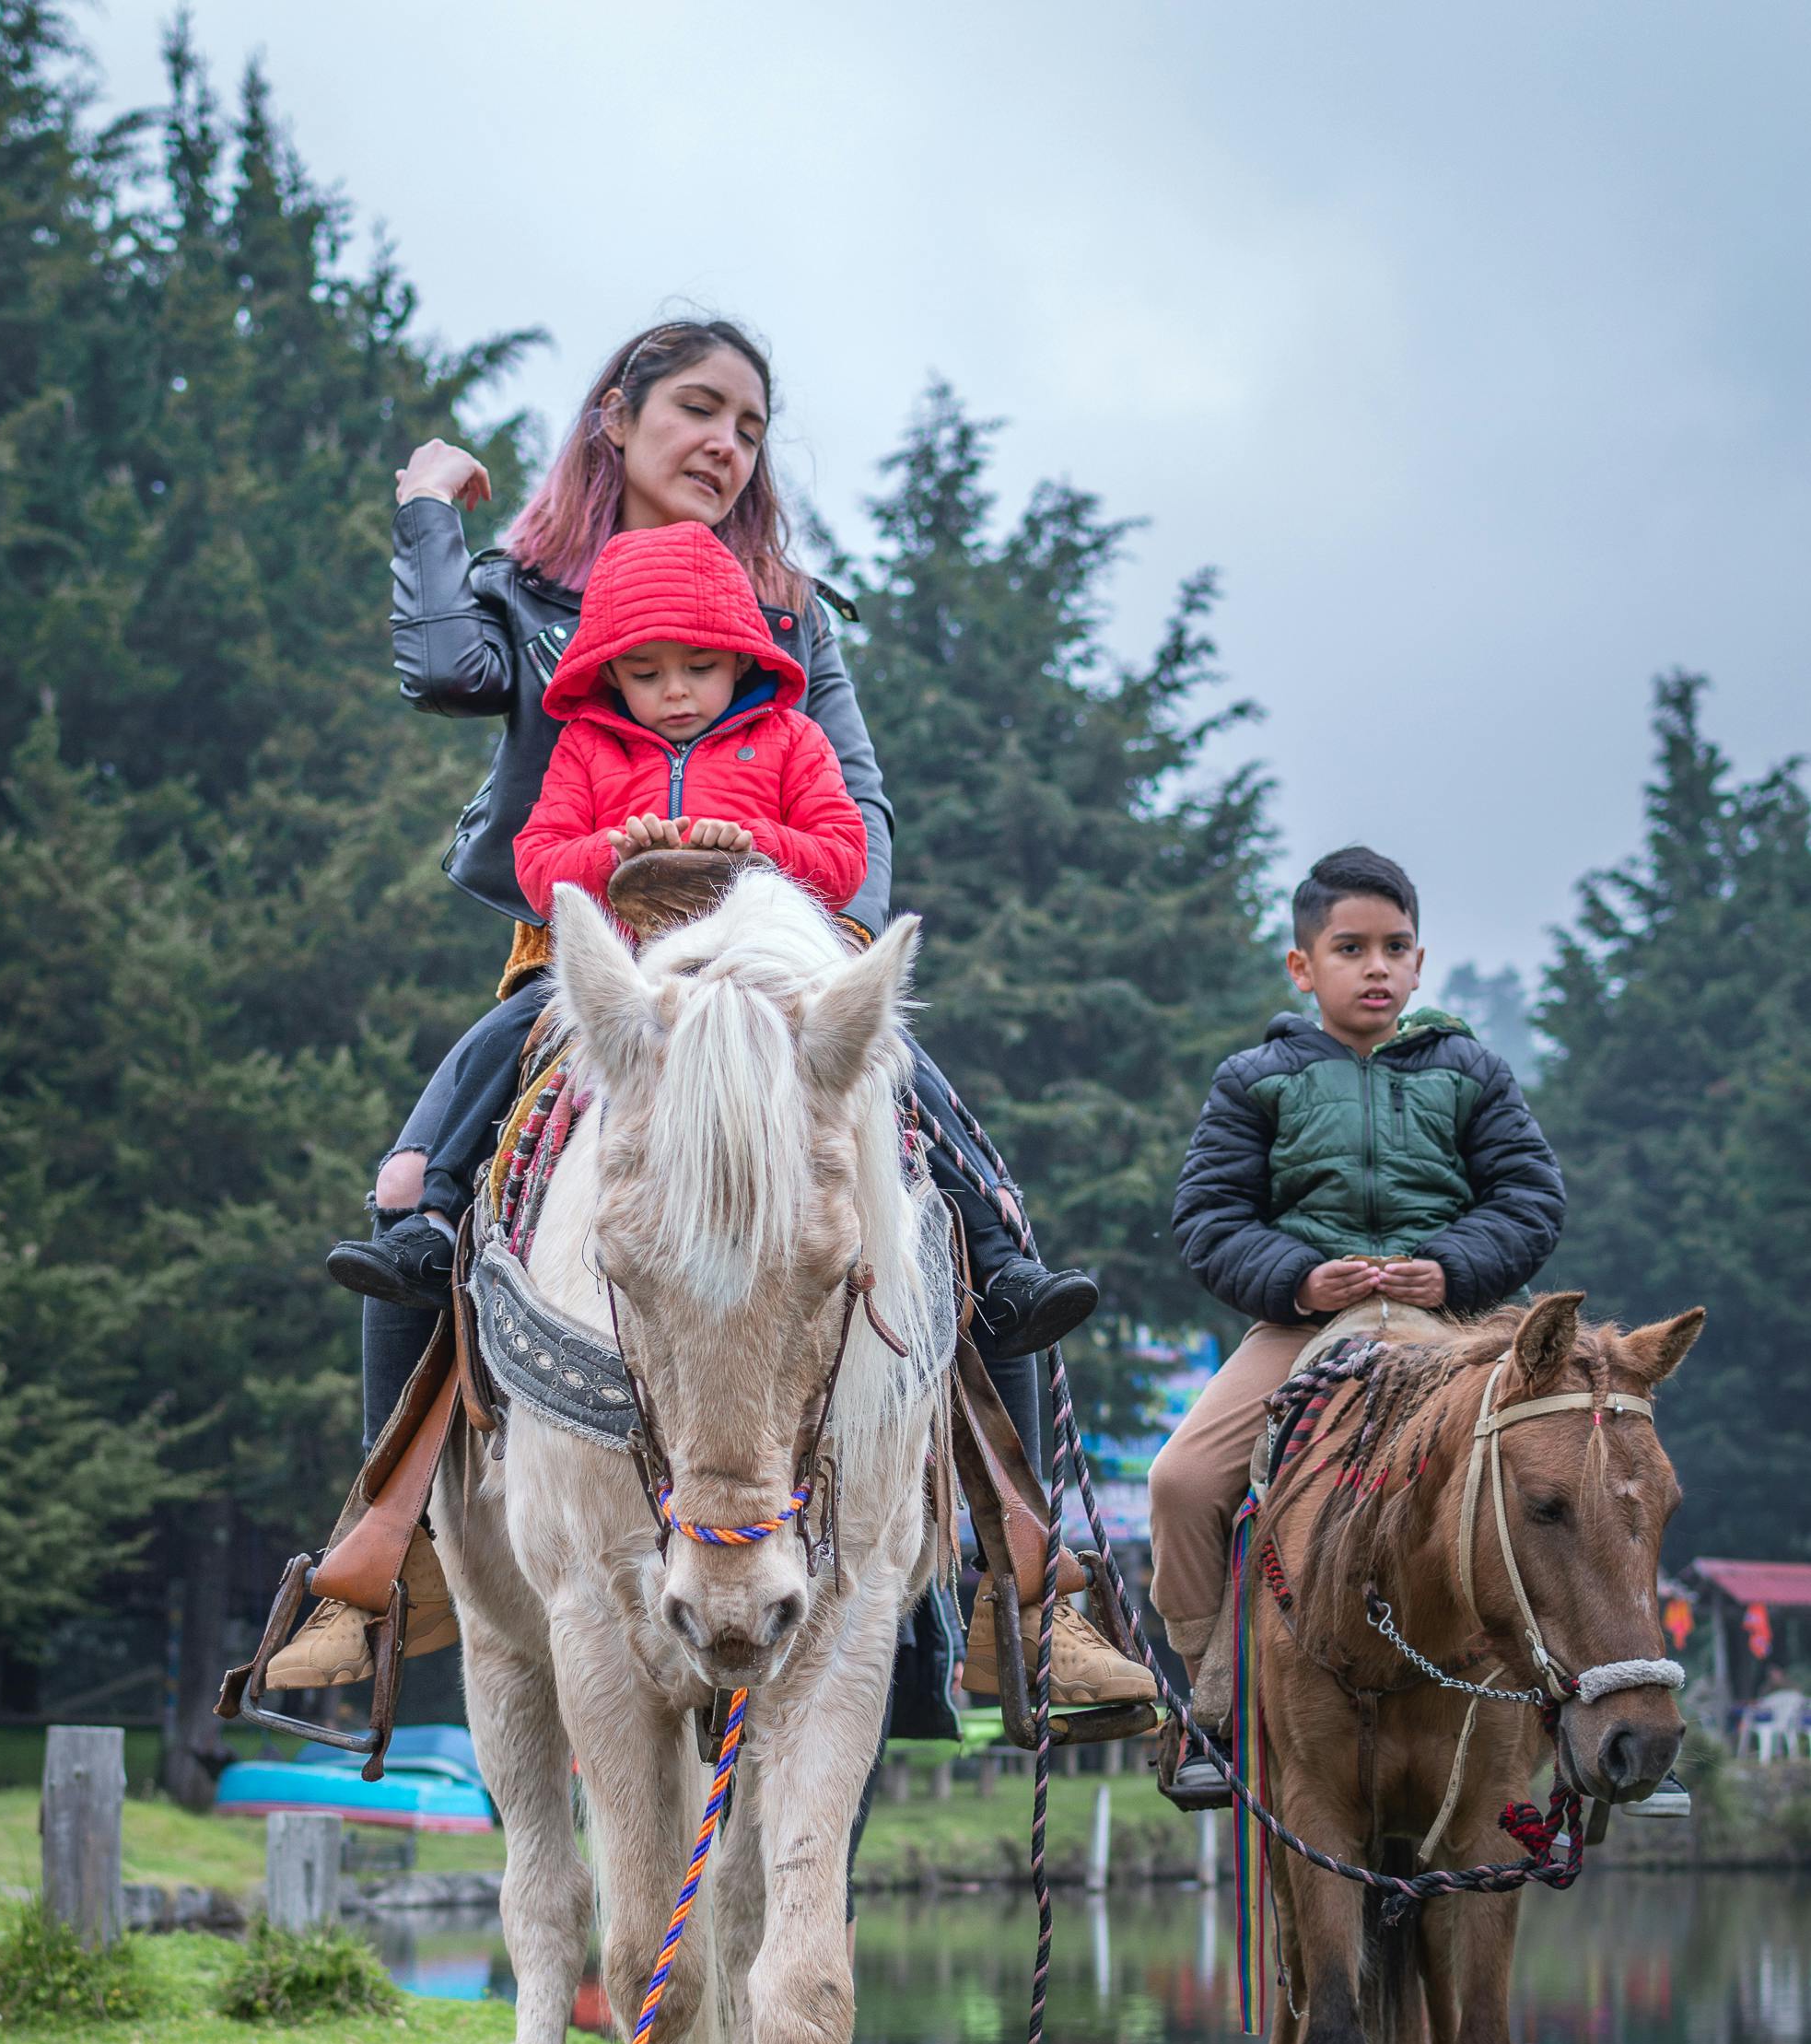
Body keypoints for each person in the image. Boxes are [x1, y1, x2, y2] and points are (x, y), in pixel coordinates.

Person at [329, 312, 1152, 1728]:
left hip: (770, 969)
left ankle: (1038, 1589)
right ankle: (372, 1564)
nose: (724, 444)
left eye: (750, 427)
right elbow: (446, 675)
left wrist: (805, 941)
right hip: (592, 974)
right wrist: (422, 509)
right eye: (698, 410)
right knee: (419, 1195)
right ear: (615, 420)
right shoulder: (529, 597)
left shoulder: (788, 622)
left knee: (974, 1197)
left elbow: (857, 805)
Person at [1149, 843, 1567, 1797]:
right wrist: (1299, 1278)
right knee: (1177, 1481)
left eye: (1394, 946)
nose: (1374, 965)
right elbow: (1210, 1218)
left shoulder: (1469, 1070)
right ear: (1303, 967)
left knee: (1571, 1475)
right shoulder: (1253, 1077)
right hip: (1301, 1329)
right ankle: (1206, 1694)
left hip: (1452, 1329)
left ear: (1418, 962)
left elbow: (1529, 1200)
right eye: (1350, 947)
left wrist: (1450, 1268)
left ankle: (1583, 1704)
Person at [515, 517, 869, 914]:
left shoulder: (795, 739)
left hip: (757, 960)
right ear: (610, 672)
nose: (676, 690)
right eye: (645, 675)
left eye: (701, 669)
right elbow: (537, 869)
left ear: (742, 659)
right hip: (629, 968)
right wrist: (617, 855)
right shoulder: (585, 746)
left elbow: (845, 863)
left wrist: (754, 847)